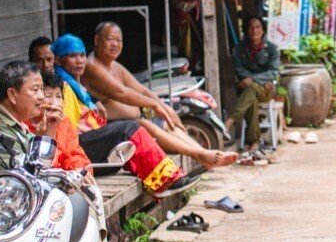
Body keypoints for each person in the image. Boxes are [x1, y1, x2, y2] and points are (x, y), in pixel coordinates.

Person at [0, 61, 140, 242]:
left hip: (33, 195)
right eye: (36, 90)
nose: (42, 98)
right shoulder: (0, 129)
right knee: (80, 198)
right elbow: (28, 176)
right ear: (12, 94)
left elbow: (52, 161)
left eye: (48, 92)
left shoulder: (20, 125)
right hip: (14, 210)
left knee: (84, 188)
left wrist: (52, 136)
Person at [50, 35, 195, 198]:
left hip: (90, 148)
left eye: (82, 55)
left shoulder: (78, 86)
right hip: (76, 150)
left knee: (132, 130)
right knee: (127, 129)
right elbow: (66, 131)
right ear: (59, 60)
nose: (79, 60)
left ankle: (164, 178)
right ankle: (165, 180)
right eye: (72, 56)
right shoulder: (63, 86)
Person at [80, 23, 237, 168]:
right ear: (97, 40)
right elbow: (121, 93)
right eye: (110, 39)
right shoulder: (92, 65)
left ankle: (201, 152)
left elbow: (142, 90)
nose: (115, 44)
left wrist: (166, 109)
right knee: (147, 125)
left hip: (128, 123)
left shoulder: (114, 66)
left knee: (168, 123)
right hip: (108, 129)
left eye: (118, 40)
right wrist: (154, 105)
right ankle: (197, 154)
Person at [224, 16, 281, 148]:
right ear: (246, 30)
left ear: (263, 30)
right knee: (252, 99)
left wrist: (253, 80)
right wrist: (254, 81)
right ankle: (254, 141)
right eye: (250, 27)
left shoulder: (272, 49)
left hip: (267, 90)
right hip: (248, 90)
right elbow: (239, 69)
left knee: (253, 87)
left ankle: (230, 120)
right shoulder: (239, 49)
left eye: (257, 27)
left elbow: (273, 72)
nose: (254, 30)